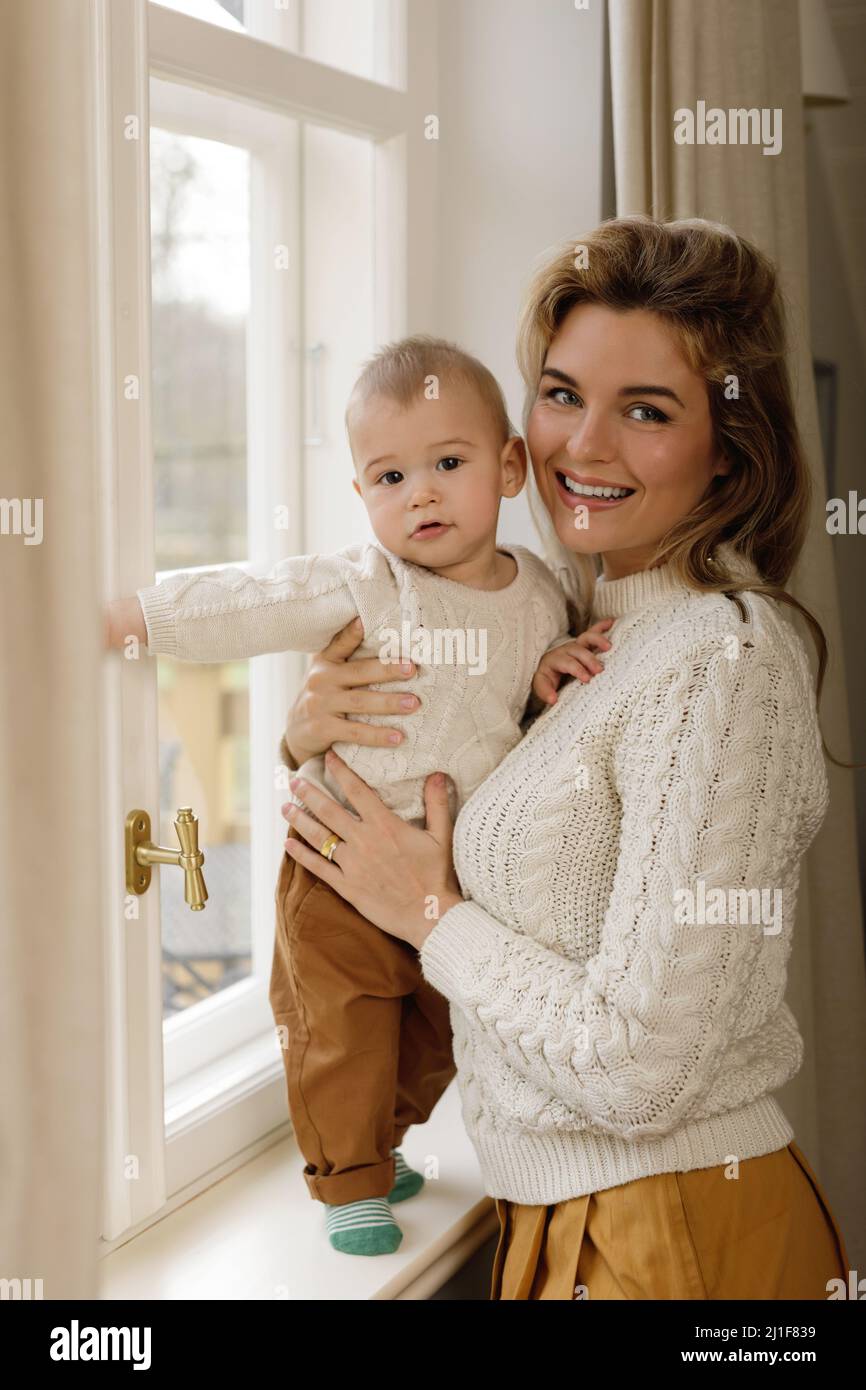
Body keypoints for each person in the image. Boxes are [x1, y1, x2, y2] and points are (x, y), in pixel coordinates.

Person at [276, 215, 854, 1299]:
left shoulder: (719, 663)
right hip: (565, 1223)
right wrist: (304, 729)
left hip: (672, 1234)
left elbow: (640, 1071)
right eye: (558, 394)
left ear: (729, 443)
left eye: (645, 411)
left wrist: (429, 915)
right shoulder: (567, 620)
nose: (582, 447)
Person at [105, 333, 615, 1256]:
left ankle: (378, 1143)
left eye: (446, 464)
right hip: (341, 864)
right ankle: (346, 1179)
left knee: (438, 1035)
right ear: (360, 497)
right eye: (387, 477)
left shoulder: (542, 592)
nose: (418, 492)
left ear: (506, 469)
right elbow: (249, 600)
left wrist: (550, 667)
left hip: (450, 885)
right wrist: (136, 617)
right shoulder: (367, 586)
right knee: (336, 1032)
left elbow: (519, 700)